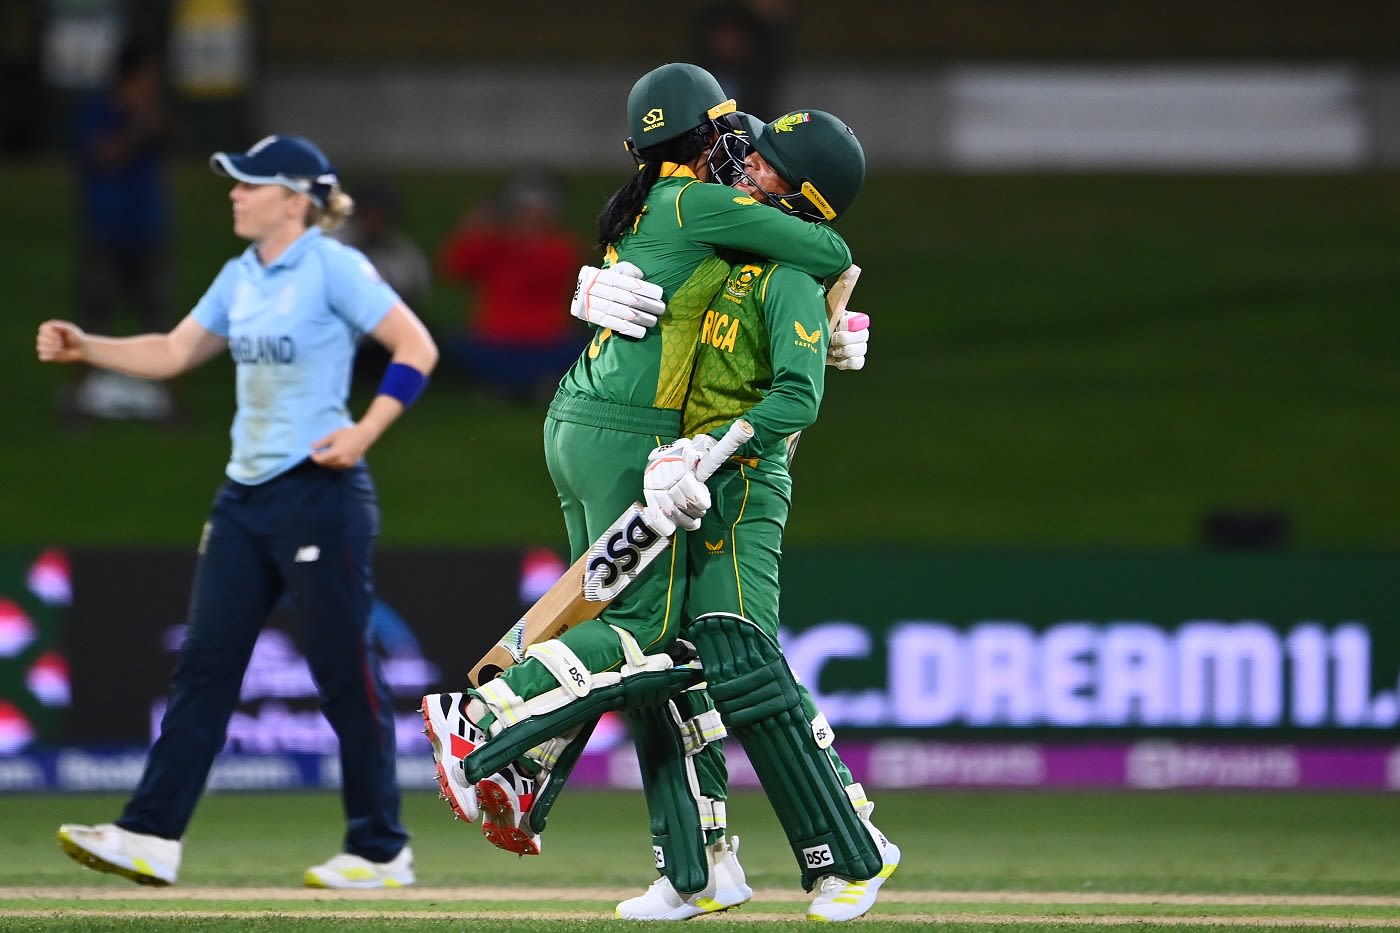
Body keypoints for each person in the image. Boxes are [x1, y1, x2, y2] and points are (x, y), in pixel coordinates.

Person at [419, 62, 855, 862]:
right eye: (733, 133)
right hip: (633, 433)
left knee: (620, 619)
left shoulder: (647, 204)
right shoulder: (703, 201)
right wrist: (827, 297)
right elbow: (826, 242)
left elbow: (725, 286)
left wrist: (824, 333)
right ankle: (485, 721)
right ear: (709, 137)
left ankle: (684, 852)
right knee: (645, 634)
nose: (744, 148)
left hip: (579, 419)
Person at [38, 134, 438, 889]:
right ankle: (150, 836)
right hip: (242, 498)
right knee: (203, 669)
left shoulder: (334, 264)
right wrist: (86, 345)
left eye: (249, 184)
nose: (234, 193)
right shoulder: (238, 275)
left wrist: (363, 431)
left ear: (295, 198)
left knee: (343, 675)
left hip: (320, 492)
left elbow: (415, 347)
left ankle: (381, 849)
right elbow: (170, 352)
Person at [614, 110, 898, 923]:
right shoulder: (730, 247)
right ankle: (697, 869)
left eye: (769, 162)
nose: (746, 161)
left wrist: (714, 446)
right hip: (678, 479)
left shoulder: (787, 276)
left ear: (804, 198)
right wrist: (599, 288)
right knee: (664, 657)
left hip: (737, 484)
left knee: (740, 656)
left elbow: (798, 395)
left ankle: (852, 853)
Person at [67, 37, 176, 423]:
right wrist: (133, 127)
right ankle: (79, 402)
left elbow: (168, 139)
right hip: (107, 231)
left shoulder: (151, 114)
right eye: (146, 78)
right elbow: (102, 155)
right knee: (93, 320)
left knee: (158, 319)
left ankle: (167, 404)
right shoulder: (98, 111)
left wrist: (150, 121)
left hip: (147, 230)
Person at [436, 171, 586, 401]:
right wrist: (474, 229)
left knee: (582, 350)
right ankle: (514, 383)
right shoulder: (491, 243)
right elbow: (452, 270)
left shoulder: (562, 247)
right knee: (451, 346)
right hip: (496, 339)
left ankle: (521, 383)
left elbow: (555, 277)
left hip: (547, 340)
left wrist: (521, 245)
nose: (530, 217)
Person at [329, 177, 432, 384]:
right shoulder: (333, 247)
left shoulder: (401, 251)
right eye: (370, 213)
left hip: (383, 334)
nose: (375, 220)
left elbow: (416, 293)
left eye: (382, 214)